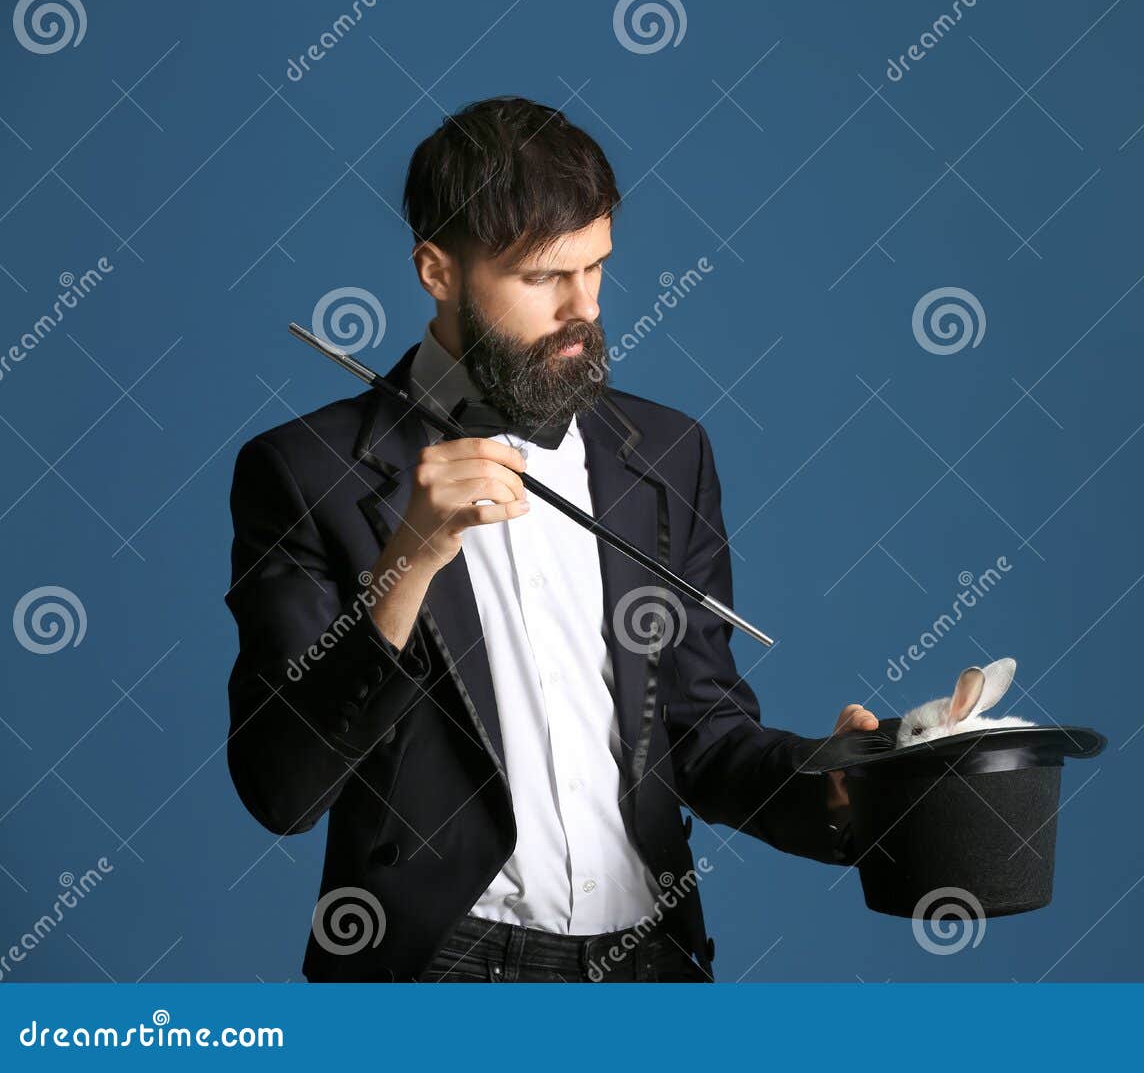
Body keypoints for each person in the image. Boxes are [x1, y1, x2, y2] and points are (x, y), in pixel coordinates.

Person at [223, 96, 878, 982]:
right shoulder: (307, 471)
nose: (582, 310)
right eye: (541, 278)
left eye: (596, 269)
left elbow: (700, 730)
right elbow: (283, 786)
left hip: (650, 966)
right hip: (442, 976)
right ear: (437, 271)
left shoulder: (669, 455)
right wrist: (407, 561)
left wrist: (826, 782)